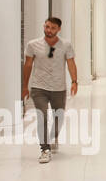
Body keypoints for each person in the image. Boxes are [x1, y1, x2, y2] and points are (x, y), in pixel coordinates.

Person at [21, 17, 79, 164]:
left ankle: (53, 137)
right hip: (38, 87)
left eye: (53, 28)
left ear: (58, 29)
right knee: (42, 117)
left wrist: (74, 81)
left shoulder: (66, 45)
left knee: (58, 117)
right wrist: (24, 86)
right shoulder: (33, 45)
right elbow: (28, 65)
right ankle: (44, 149)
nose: (49, 30)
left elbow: (71, 63)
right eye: (47, 27)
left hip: (58, 87)